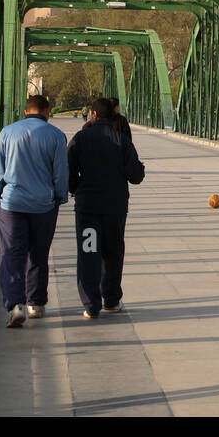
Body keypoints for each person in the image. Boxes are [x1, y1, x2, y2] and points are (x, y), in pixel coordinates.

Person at [0, 94, 69, 328]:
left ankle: (15, 304)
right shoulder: (55, 136)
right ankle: (36, 303)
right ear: (47, 112)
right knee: (39, 253)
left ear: (25, 112)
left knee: (12, 252)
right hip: (43, 204)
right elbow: (61, 172)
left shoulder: (7, 132)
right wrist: (59, 196)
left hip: (12, 203)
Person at [68, 97, 145, 319]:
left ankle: (91, 305)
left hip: (88, 209)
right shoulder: (122, 140)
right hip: (115, 208)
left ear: (93, 115)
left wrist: (77, 189)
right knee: (112, 252)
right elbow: (136, 177)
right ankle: (111, 299)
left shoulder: (80, 139)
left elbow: (69, 172)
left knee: (89, 252)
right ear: (112, 115)